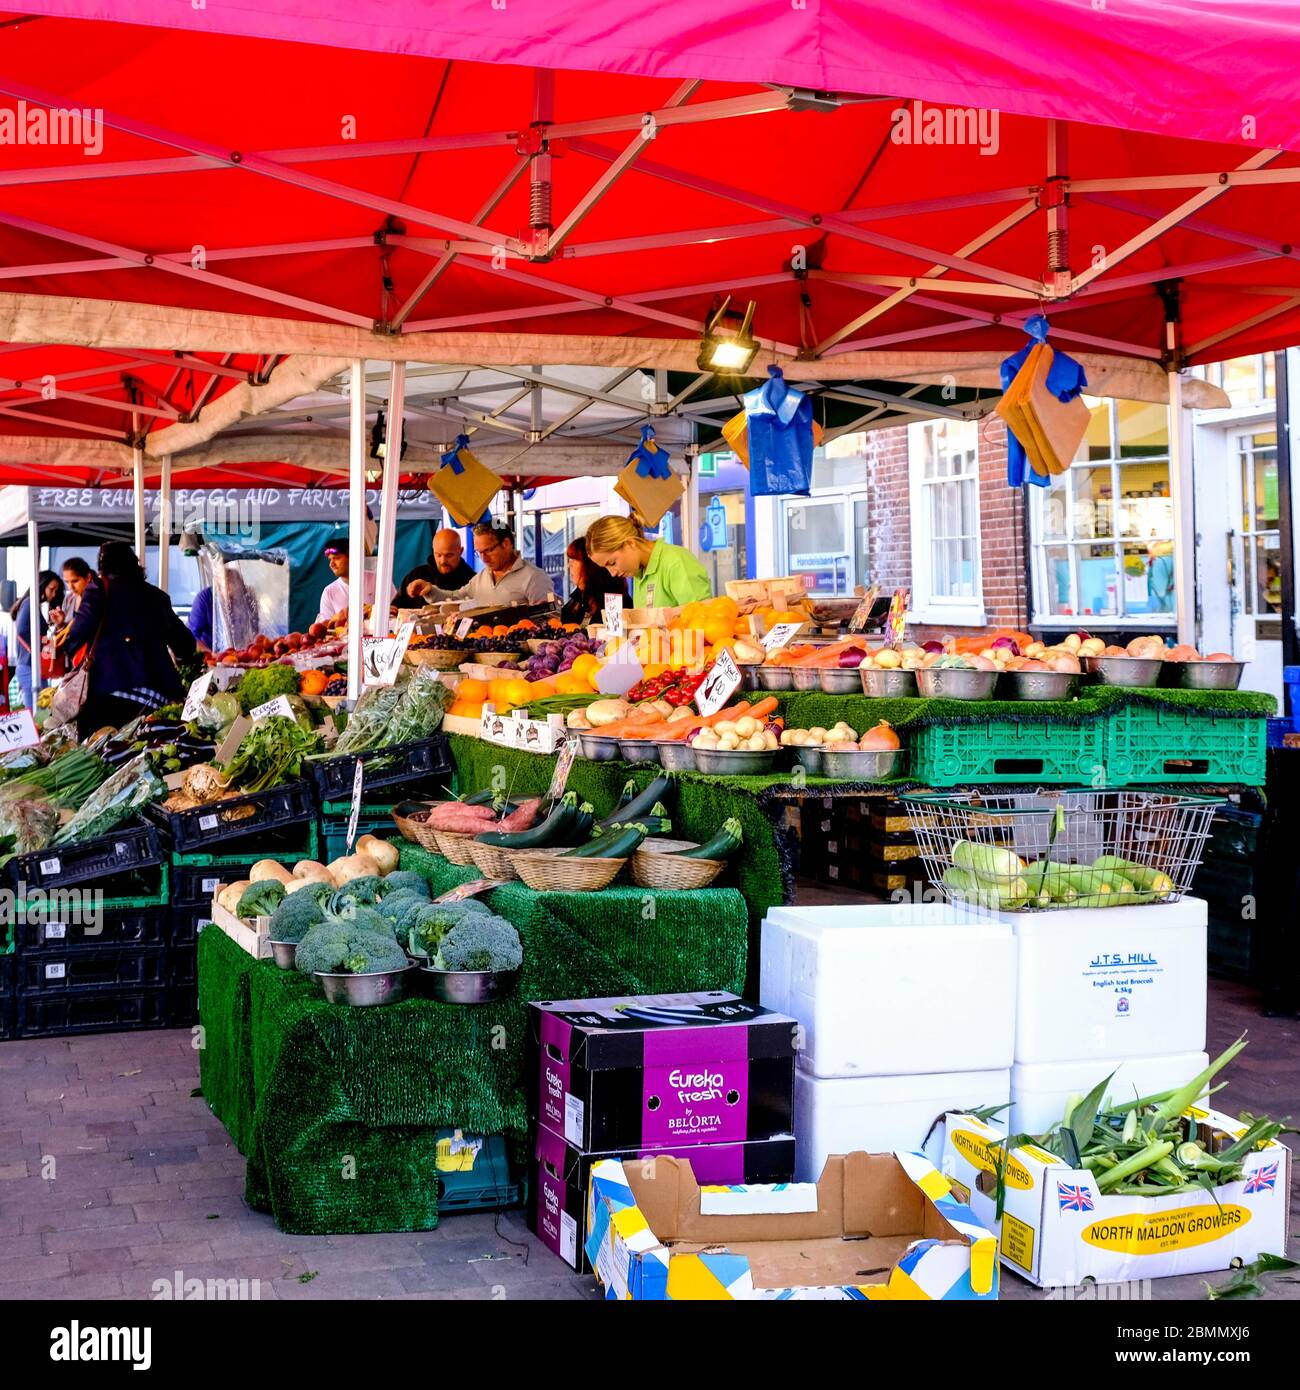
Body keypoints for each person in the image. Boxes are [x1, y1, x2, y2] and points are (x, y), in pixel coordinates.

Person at [57, 542, 197, 738]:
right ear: (135, 564)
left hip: (105, 693)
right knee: (147, 757)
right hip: (151, 696)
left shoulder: (98, 589)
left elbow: (76, 636)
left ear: (102, 568)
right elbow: (185, 644)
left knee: (99, 759)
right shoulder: (156, 596)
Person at [585, 515, 712, 609]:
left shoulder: (676, 562)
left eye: (612, 563)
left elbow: (701, 615)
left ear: (630, 543)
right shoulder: (638, 573)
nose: (612, 573)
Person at [416, 520, 553, 605]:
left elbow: (550, 618)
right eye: (479, 552)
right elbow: (455, 598)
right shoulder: (481, 578)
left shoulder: (535, 578)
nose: (483, 558)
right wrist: (431, 591)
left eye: (488, 550)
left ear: (506, 543)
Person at [11, 571, 64, 710]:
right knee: (38, 713)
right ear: (41, 585)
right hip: (29, 667)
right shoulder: (29, 603)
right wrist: (43, 645)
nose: (53, 594)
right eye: (51, 589)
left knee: (40, 711)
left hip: (33, 666)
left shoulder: (32, 604)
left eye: (56, 591)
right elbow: (22, 631)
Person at [315, 536, 396, 625]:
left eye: (336, 558)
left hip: (379, 638)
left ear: (352, 558)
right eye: (330, 559)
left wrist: (372, 610)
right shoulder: (329, 592)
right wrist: (339, 617)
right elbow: (327, 627)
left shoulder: (379, 580)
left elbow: (396, 611)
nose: (331, 564)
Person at [395, 527, 476, 608]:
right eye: (438, 555)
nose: (443, 561)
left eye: (449, 555)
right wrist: (392, 609)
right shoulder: (416, 575)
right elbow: (396, 606)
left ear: (460, 551)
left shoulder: (472, 580)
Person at [560, 536, 627, 625]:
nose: (569, 565)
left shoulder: (614, 600)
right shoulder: (576, 600)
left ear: (591, 564)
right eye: (569, 560)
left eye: (574, 560)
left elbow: (616, 637)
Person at [187, 584, 214, 650]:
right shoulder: (204, 598)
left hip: (236, 655)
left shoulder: (241, 597)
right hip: (208, 652)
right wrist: (212, 656)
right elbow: (191, 636)